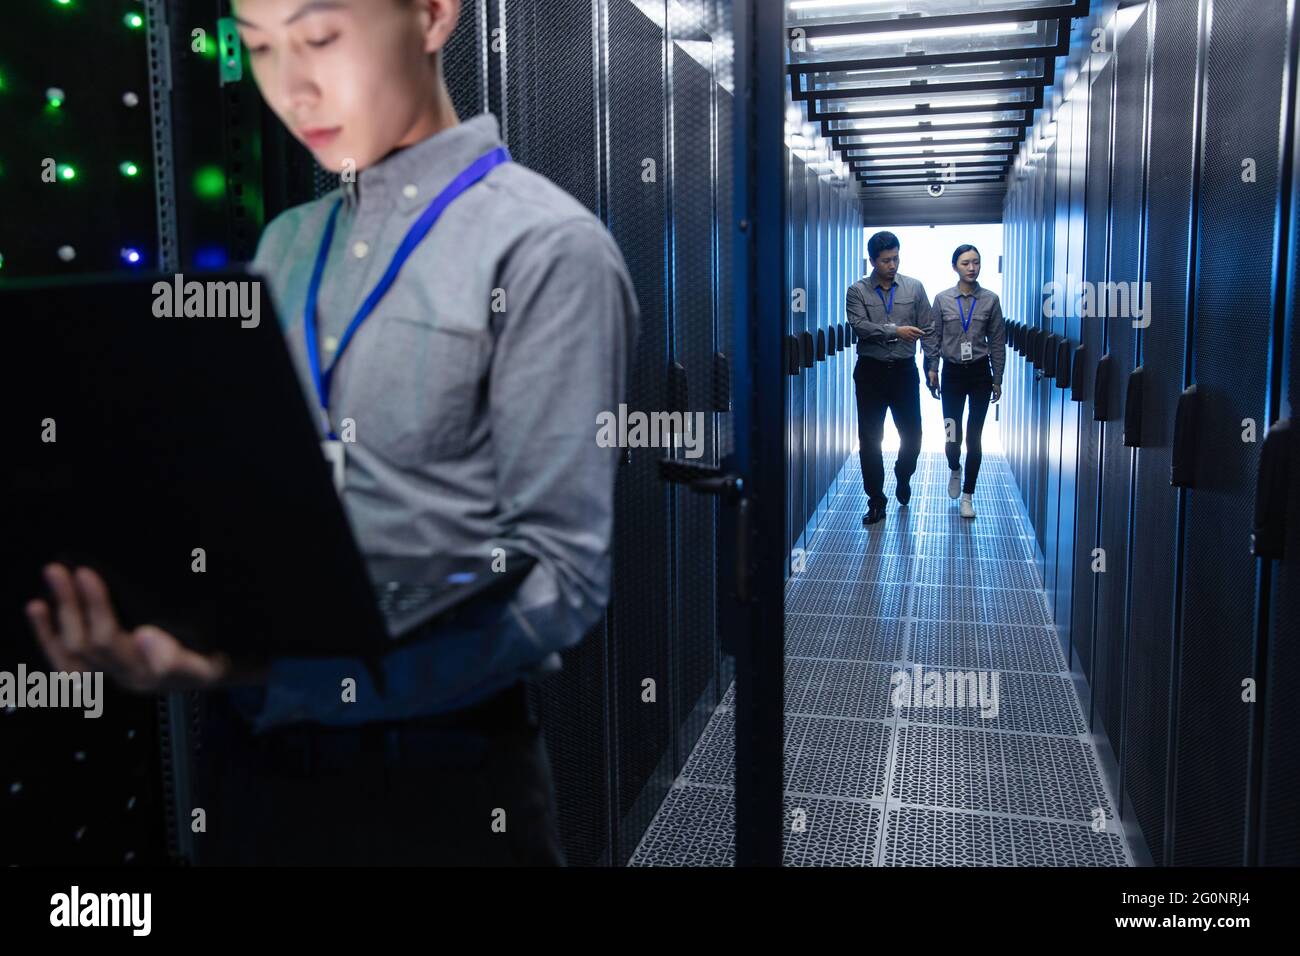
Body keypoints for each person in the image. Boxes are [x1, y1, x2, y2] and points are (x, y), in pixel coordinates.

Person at [23, 0, 639, 865]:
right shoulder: (283, 244)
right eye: (262, 50)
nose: (293, 89)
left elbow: (564, 577)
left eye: (319, 39)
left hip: (440, 793)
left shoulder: (547, 249)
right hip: (251, 777)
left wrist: (272, 671)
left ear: (430, 17)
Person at [846, 231, 935, 526]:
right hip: (870, 372)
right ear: (872, 261)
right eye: (886, 260)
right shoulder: (857, 291)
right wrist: (896, 331)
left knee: (913, 436)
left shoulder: (914, 288)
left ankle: (902, 472)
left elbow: (928, 329)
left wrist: (932, 366)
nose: (892, 265)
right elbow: (860, 327)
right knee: (870, 441)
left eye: (896, 258)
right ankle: (876, 501)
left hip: (904, 372)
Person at [923, 244, 1006, 519]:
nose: (971, 268)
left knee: (975, 436)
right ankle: (954, 468)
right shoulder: (942, 299)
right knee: (952, 434)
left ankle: (968, 495)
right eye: (965, 263)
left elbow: (996, 341)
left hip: (980, 373)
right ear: (955, 267)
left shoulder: (991, 300)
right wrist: (932, 368)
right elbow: (933, 338)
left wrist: (998, 377)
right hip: (953, 374)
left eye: (976, 263)